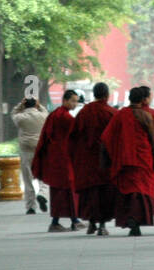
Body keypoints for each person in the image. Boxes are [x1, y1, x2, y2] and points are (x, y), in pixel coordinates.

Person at [100, 86, 154, 236]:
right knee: (141, 190)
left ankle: (131, 219)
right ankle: (137, 219)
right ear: (142, 100)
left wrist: (111, 157)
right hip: (143, 160)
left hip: (124, 160)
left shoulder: (120, 115)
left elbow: (106, 138)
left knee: (127, 191)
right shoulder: (146, 116)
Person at [32, 90, 84, 232]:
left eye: (76, 101)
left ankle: (67, 220)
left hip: (56, 157)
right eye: (73, 101)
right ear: (65, 100)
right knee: (66, 189)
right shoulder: (64, 117)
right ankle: (66, 221)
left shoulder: (56, 114)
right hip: (63, 158)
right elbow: (78, 133)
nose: (75, 104)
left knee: (61, 190)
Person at [69, 82, 117, 236]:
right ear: (107, 95)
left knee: (90, 193)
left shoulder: (84, 112)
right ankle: (102, 225)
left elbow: (73, 136)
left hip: (87, 161)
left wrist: (76, 157)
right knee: (104, 193)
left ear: (94, 95)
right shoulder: (111, 113)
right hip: (105, 161)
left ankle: (91, 223)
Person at [11, 97, 49, 215]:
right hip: (40, 149)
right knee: (44, 176)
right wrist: (39, 105)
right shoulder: (43, 116)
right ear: (36, 105)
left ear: (25, 105)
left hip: (26, 150)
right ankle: (42, 193)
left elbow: (14, 113)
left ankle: (31, 206)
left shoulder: (21, 118)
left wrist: (20, 105)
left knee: (28, 179)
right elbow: (46, 112)